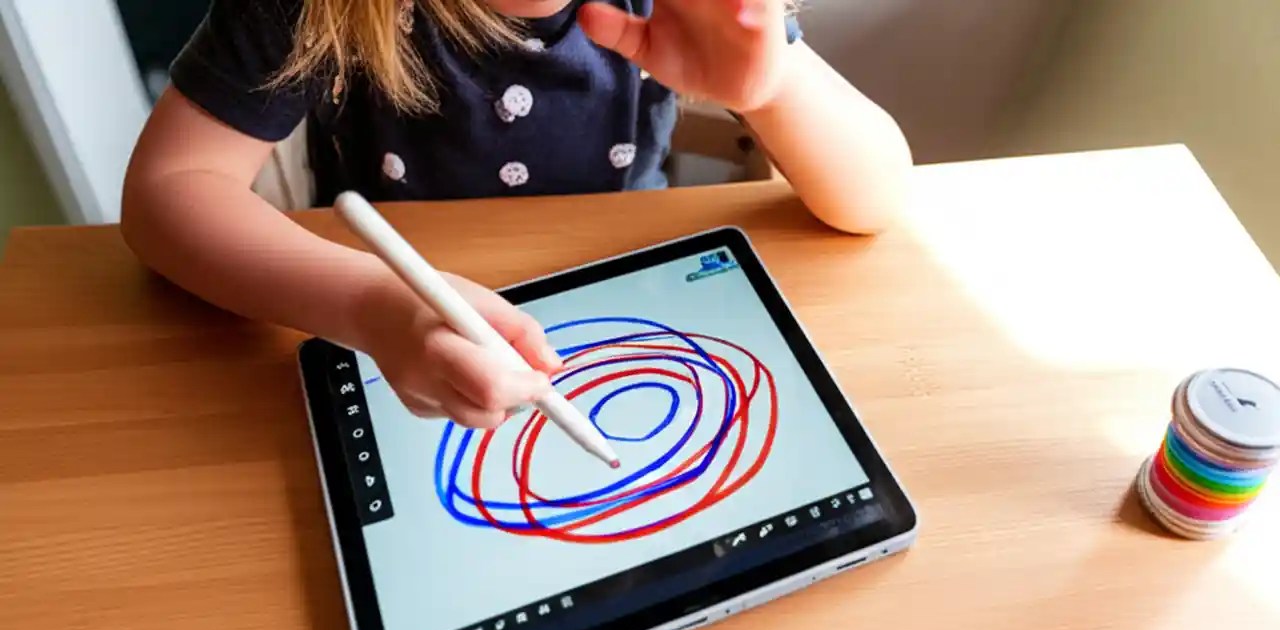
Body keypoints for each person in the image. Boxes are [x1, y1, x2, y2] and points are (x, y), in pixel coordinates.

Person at [121, 0, 912, 429]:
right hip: (399, 344)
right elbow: (169, 188)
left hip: (621, 315)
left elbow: (874, 200)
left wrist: (772, 91)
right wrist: (374, 307)